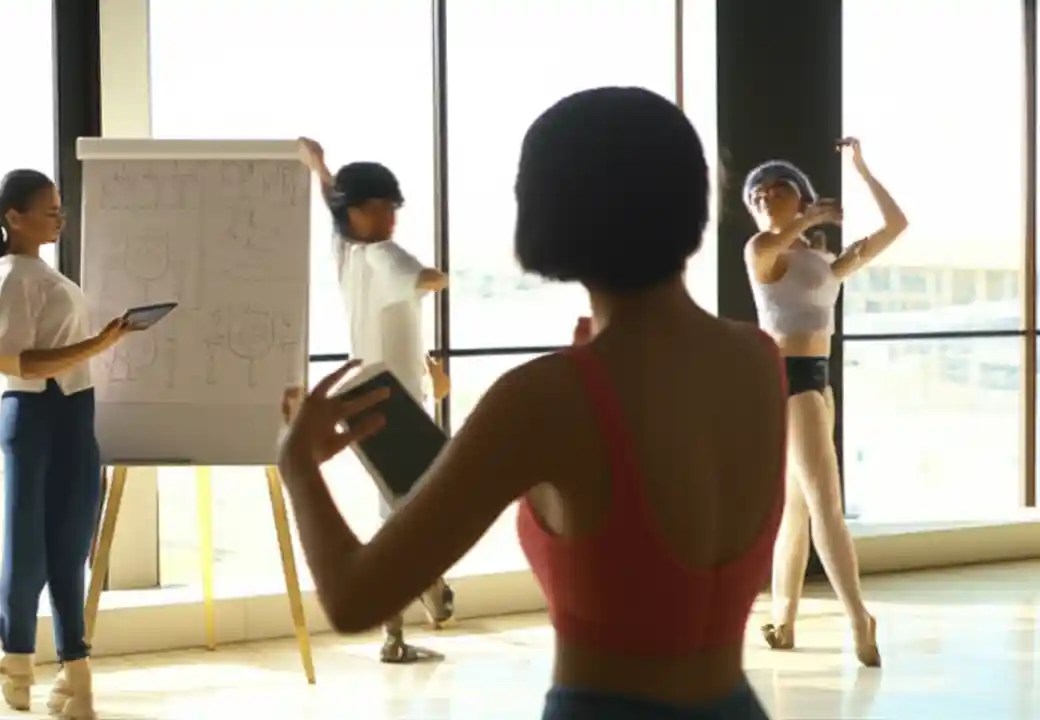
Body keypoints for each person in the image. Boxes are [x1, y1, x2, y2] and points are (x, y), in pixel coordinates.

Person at [280, 87, 786, 718]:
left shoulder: (547, 397)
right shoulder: (757, 358)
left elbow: (355, 598)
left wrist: (297, 463)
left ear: (550, 212)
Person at [0, 169, 134, 719]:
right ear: (14, 218)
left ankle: (76, 671)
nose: (59, 218)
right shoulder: (14, 274)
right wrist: (99, 343)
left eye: (59, 208)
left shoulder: (41, 272)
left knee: (69, 549)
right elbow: (3, 359)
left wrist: (98, 344)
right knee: (30, 547)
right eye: (49, 210)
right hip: (37, 412)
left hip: (71, 412)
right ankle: (18, 654)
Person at [743, 138, 907, 668]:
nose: (767, 194)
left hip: (817, 384)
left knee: (800, 506)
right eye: (758, 192)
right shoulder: (760, 251)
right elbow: (772, 245)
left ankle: (785, 620)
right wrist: (805, 218)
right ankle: (858, 617)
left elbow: (894, 226)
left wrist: (860, 168)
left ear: (800, 195)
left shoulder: (821, 262)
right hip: (786, 383)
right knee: (821, 506)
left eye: (778, 187)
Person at [295, 137, 455, 664]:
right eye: (377, 207)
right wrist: (443, 278)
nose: (388, 216)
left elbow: (331, 203)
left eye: (391, 207)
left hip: (366, 392)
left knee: (403, 507)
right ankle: (401, 621)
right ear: (356, 212)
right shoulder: (384, 254)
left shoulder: (346, 250)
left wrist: (321, 168)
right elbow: (425, 279)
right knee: (408, 514)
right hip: (398, 400)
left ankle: (421, 597)